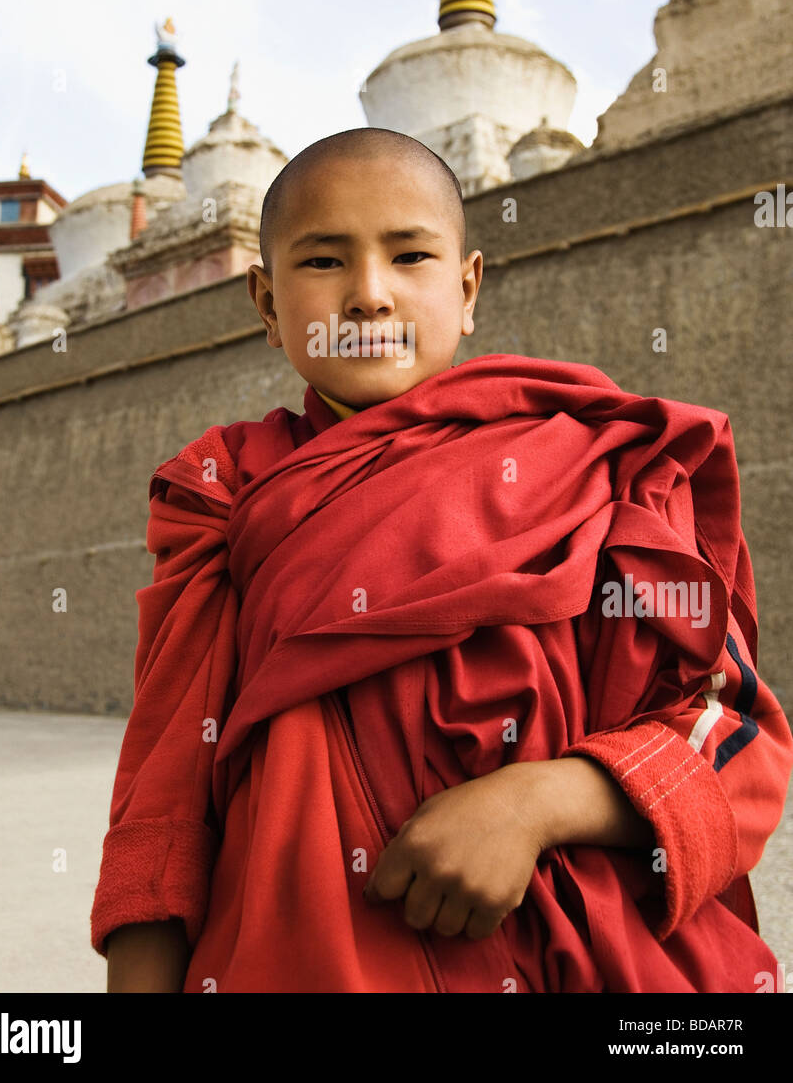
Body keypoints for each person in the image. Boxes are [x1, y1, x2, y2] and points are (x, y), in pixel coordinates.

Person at [91, 126, 793, 993]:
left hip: (565, 964)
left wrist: (536, 803)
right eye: (322, 263)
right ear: (266, 307)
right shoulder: (225, 493)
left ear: (466, 290)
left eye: (411, 255)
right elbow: (164, 798)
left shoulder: (599, 466)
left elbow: (732, 741)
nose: (370, 296)